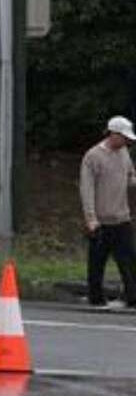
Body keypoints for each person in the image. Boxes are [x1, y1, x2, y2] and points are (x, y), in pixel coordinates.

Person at [79, 115, 136, 308]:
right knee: (97, 261)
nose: (127, 141)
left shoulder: (124, 153)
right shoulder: (93, 157)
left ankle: (132, 296)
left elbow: (130, 178)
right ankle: (96, 297)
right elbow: (87, 189)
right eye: (124, 137)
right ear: (113, 134)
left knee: (128, 259)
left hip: (122, 217)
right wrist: (91, 218)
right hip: (101, 219)